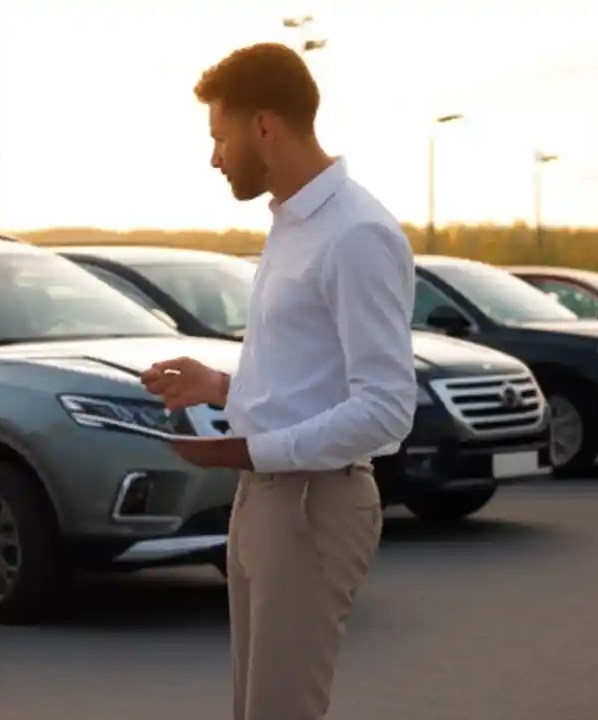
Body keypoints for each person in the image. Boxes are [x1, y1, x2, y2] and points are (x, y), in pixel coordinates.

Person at [140, 42, 417, 720]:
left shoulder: (355, 233)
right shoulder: (293, 225)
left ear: (264, 125)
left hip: (310, 507)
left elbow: (387, 409)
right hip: (264, 500)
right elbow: (306, 376)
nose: (214, 157)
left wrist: (254, 450)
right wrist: (222, 388)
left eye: (219, 136)